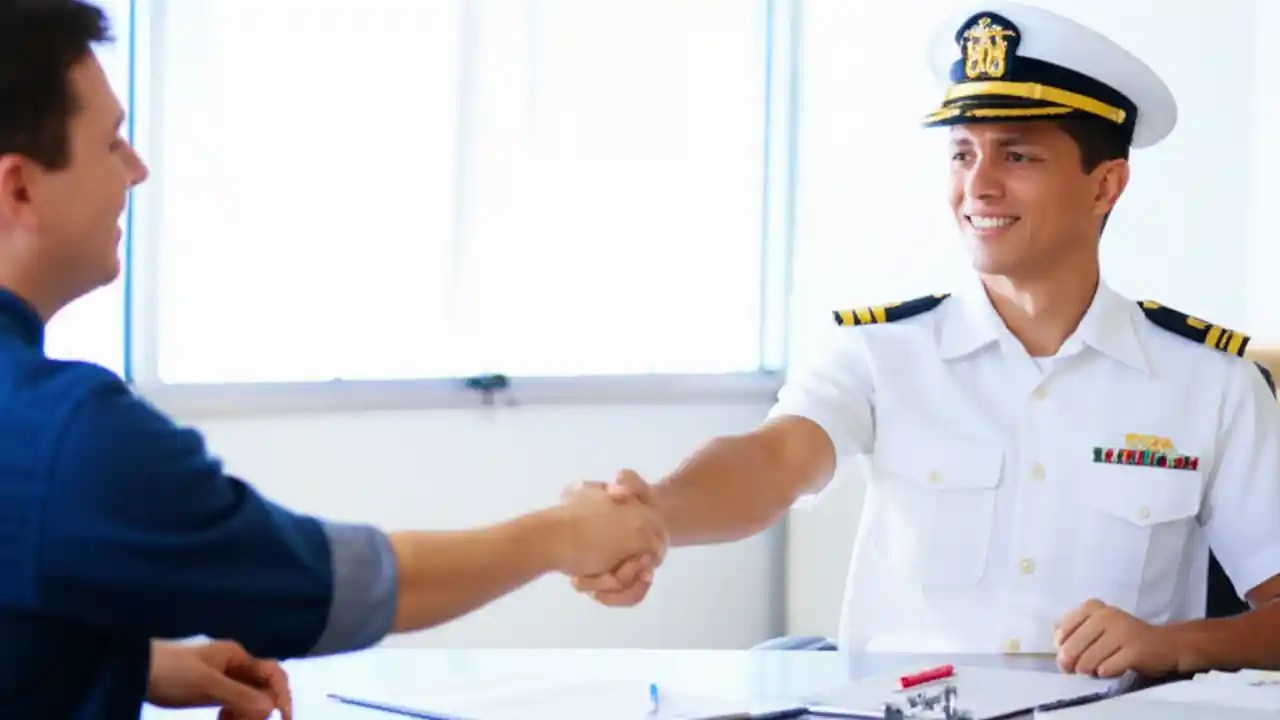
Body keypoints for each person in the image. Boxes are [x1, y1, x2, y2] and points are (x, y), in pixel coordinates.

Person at [573, 1, 1280, 678]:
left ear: (1106, 186)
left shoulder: (1211, 384)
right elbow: (771, 461)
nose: (979, 186)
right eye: (963, 154)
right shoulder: (881, 355)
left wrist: (1171, 644)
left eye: (1017, 157)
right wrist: (656, 513)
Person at [0, 2, 667, 718]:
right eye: (112, 144)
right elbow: (324, 586)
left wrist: (133, 663)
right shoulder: (63, 439)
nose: (137, 170)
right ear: (19, 189)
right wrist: (565, 535)